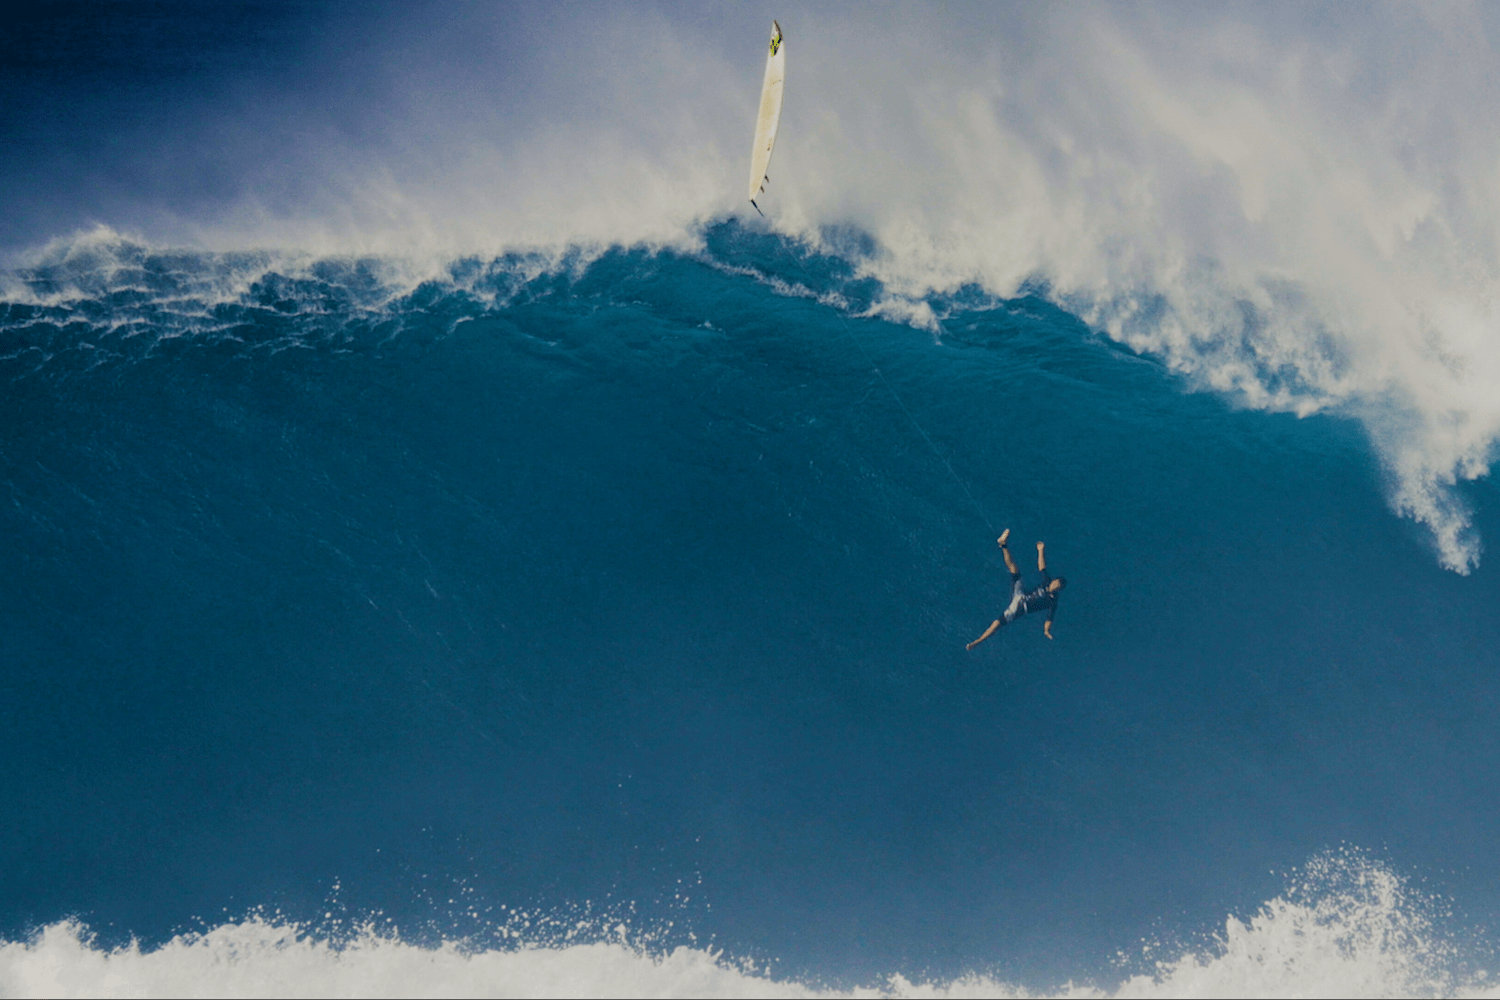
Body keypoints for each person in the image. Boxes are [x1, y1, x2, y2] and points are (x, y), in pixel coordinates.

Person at [966, 528, 1066, 649]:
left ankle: (977, 642)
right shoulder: (1047, 581)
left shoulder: (1053, 601)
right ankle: (1003, 544)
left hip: (1020, 608)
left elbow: (1050, 618)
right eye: (1055, 583)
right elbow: (1042, 566)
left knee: (998, 624)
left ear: (1059, 589)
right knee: (1015, 571)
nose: (1054, 586)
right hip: (1021, 594)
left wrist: (1046, 631)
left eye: (1057, 587)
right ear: (1054, 581)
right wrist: (1040, 550)